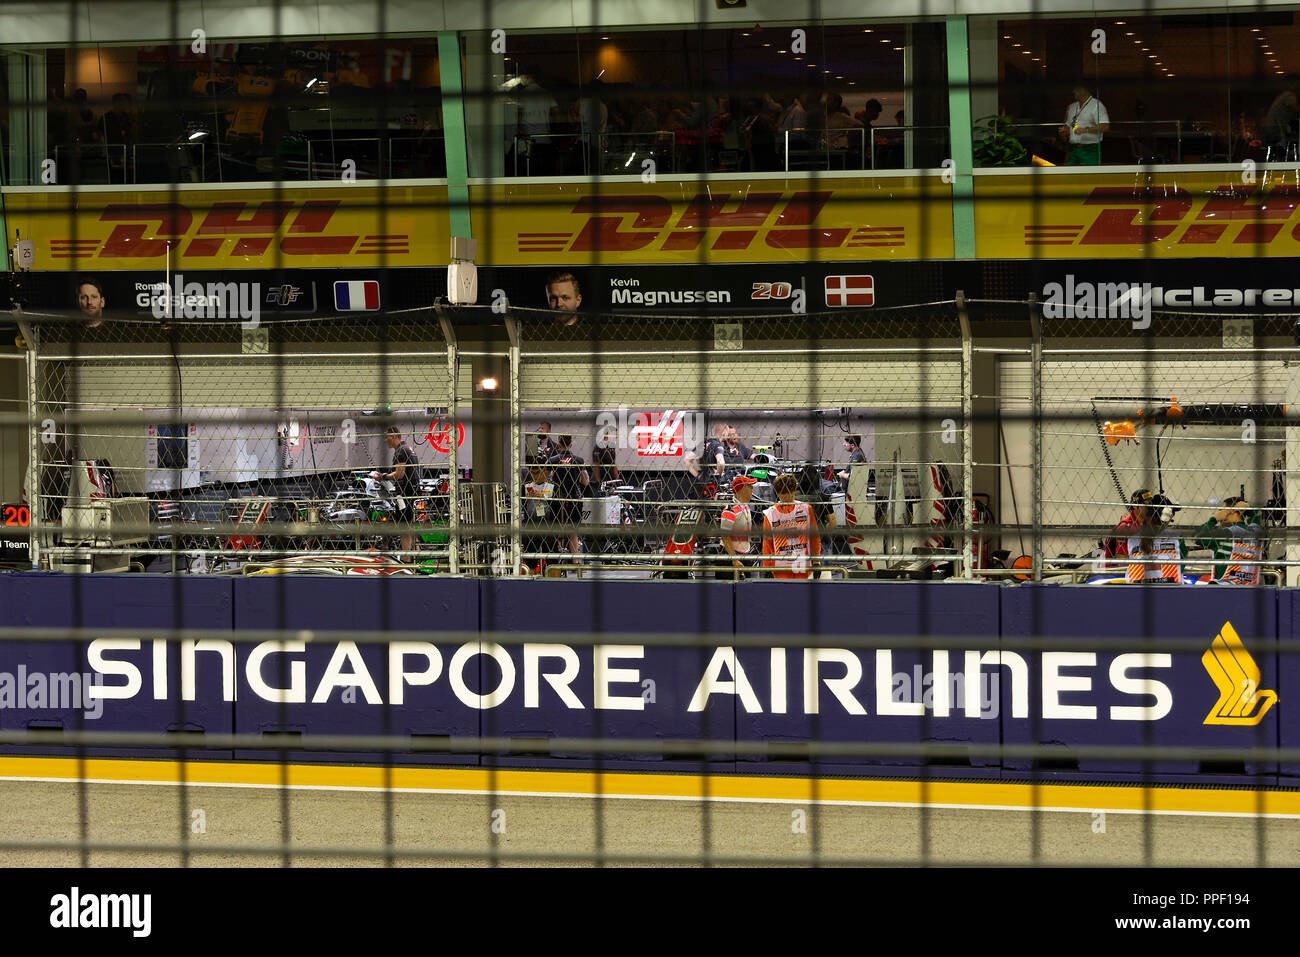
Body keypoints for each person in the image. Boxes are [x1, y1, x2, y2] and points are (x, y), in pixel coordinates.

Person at [372, 426, 421, 559]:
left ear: (393, 436)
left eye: (387, 437)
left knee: (403, 528)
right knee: (408, 526)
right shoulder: (408, 449)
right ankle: (413, 557)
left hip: (405, 494)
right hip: (412, 493)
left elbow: (399, 474)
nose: (385, 440)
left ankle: (407, 561)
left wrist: (383, 476)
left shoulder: (401, 451)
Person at [1194, 496, 1265, 585]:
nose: (1221, 512)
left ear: (1231, 512)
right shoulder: (1256, 531)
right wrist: (1248, 506)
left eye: (1224, 510)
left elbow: (1197, 537)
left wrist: (1214, 519)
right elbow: (1256, 515)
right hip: (1250, 589)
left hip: (1224, 589)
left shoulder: (1227, 533)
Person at [762, 472, 821, 579]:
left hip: (802, 565)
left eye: (789, 492)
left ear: (794, 490)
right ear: (777, 493)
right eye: (782, 493)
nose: (786, 496)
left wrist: (816, 561)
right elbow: (767, 543)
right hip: (780, 568)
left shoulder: (806, 509)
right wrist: (767, 566)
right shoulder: (770, 514)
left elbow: (814, 537)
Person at [1125, 492, 1186, 584]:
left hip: (1136, 591)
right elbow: (1182, 564)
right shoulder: (1176, 537)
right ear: (1165, 515)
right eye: (1172, 513)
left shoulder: (1133, 538)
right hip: (1170, 591)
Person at [548, 433, 590, 559]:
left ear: (558, 444)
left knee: (557, 530)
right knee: (573, 532)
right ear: (571, 444)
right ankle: (575, 562)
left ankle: (557, 560)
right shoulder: (578, 460)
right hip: (573, 498)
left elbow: (548, 479)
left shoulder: (553, 460)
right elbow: (585, 481)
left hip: (557, 497)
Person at [1059, 81, 1109, 166]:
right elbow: (1068, 125)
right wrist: (1064, 131)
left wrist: (1086, 130)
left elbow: (1105, 126)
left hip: (1090, 149)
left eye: (1076, 89)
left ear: (1083, 90)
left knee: (1089, 177)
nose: (1073, 92)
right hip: (1073, 149)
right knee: (1071, 177)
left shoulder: (1096, 105)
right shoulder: (1072, 107)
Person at [521, 457, 555, 574]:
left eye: (538, 472)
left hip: (548, 525)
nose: (535, 476)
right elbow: (521, 508)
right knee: (530, 558)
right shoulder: (525, 487)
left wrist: (543, 496)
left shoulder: (553, 487)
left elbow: (557, 509)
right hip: (531, 525)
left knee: (553, 558)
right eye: (533, 473)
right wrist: (527, 499)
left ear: (545, 470)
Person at [720, 474, 757, 575]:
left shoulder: (745, 507)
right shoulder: (730, 510)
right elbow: (725, 536)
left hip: (744, 554)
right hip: (731, 557)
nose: (752, 489)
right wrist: (734, 559)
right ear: (742, 489)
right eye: (750, 486)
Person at [1261, 88, 1300, 158]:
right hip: (1275, 131)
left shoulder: (1284, 96)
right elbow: (1296, 108)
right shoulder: (1288, 96)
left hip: (1275, 131)